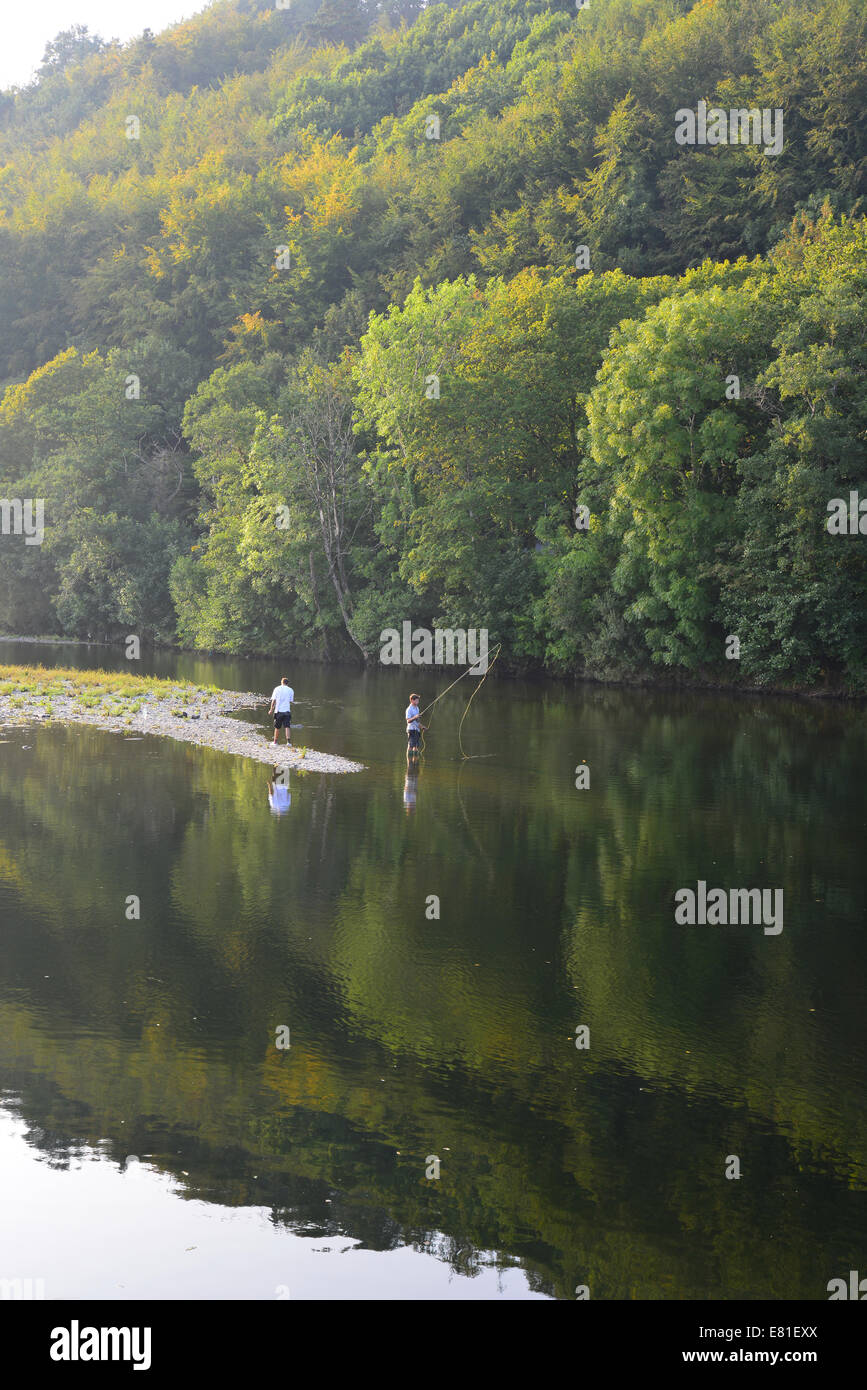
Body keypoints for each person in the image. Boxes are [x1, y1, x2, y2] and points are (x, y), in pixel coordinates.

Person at [268, 676, 295, 744]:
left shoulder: (277, 688)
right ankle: (288, 743)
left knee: (277, 727)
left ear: (281, 682)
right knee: (287, 727)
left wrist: (271, 709)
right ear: (287, 683)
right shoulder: (291, 690)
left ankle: (275, 742)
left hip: (279, 711)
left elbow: (274, 700)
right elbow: (291, 701)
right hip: (287, 711)